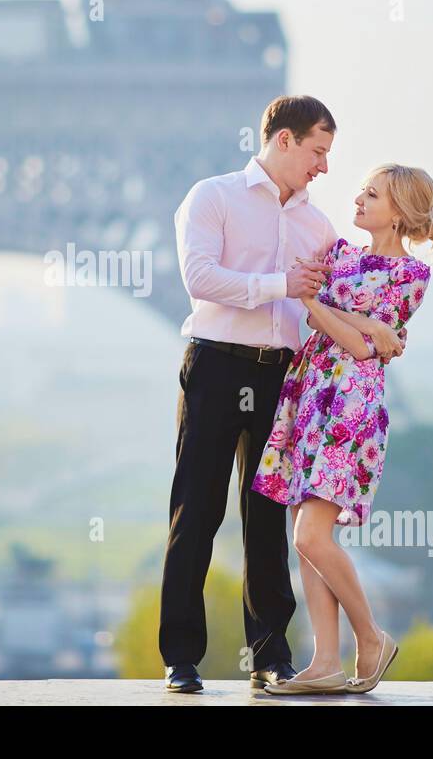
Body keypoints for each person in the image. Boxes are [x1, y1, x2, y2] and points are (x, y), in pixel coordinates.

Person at [159, 96, 408, 693]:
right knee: (196, 510)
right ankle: (181, 659)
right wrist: (281, 285)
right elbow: (199, 278)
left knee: (269, 516)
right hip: (216, 366)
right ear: (285, 140)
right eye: (319, 151)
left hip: (282, 377)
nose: (324, 166)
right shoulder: (212, 197)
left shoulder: (319, 227)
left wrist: (382, 331)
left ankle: (270, 653)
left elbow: (345, 304)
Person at [253, 164, 433, 695]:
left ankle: (372, 638)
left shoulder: (412, 277)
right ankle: (325, 663)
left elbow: (358, 347)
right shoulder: (339, 254)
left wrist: (321, 306)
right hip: (311, 396)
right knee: (310, 542)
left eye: (372, 194)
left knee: (309, 533)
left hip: (349, 407)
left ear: (401, 212)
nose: (358, 199)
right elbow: (353, 333)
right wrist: (369, 324)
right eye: (361, 190)